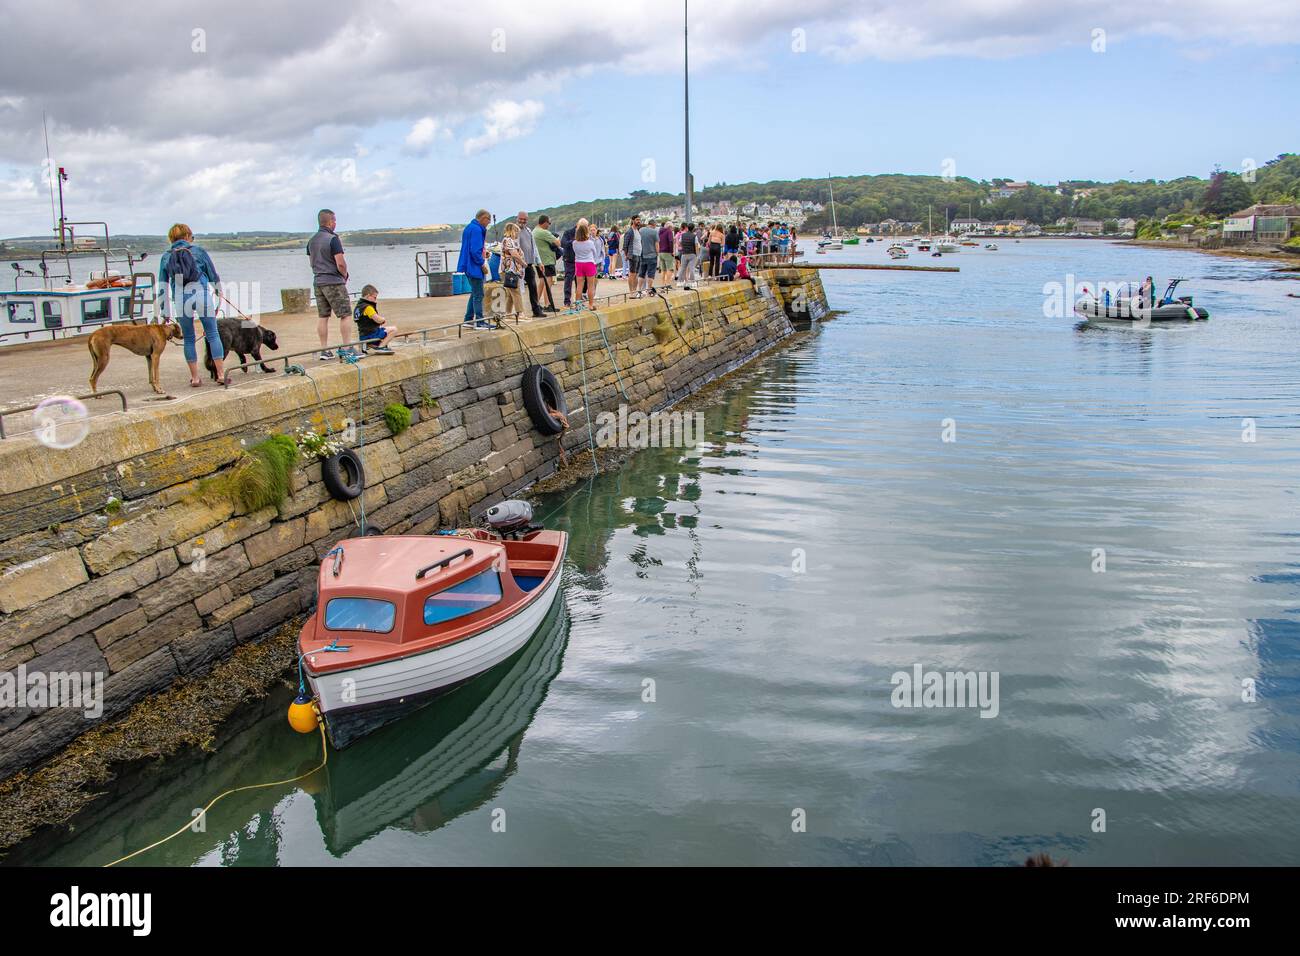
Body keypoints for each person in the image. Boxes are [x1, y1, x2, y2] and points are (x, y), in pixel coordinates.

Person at [158, 223, 225, 386]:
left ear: (171, 239)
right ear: (188, 236)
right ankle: (221, 375)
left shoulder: (166, 256)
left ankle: (195, 378)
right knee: (213, 334)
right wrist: (218, 292)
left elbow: (162, 285)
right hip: (201, 295)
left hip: (181, 298)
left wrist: (165, 310)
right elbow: (212, 274)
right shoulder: (198, 252)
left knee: (188, 338)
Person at [307, 208, 352, 360]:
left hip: (318, 280)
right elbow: (340, 263)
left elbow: (311, 262)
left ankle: (324, 350)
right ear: (331, 222)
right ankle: (347, 347)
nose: (335, 224)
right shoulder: (333, 239)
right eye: (335, 221)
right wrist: (344, 275)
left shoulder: (311, 241)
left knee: (323, 316)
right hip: (333, 281)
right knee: (345, 314)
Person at [457, 209, 492, 330]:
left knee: (474, 293)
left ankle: (468, 319)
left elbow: (472, 248)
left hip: (467, 264)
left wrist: (483, 254)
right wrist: (482, 263)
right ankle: (480, 321)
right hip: (474, 266)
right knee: (479, 294)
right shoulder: (477, 229)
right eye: (489, 220)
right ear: (483, 218)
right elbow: (474, 250)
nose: (489, 223)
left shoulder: (469, 227)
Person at [514, 211, 547, 318]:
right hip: (518, 265)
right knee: (516, 289)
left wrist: (539, 262)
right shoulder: (515, 231)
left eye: (525, 219)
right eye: (521, 218)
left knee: (533, 287)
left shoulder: (529, 231)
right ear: (517, 218)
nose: (523, 221)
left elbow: (534, 248)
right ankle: (518, 312)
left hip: (529, 264)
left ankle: (536, 310)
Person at [353, 284, 397, 353]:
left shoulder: (358, 307)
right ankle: (381, 347)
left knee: (382, 329)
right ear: (368, 295)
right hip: (371, 335)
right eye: (374, 297)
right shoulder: (368, 307)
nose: (375, 300)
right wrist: (383, 319)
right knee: (394, 329)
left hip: (362, 335)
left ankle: (368, 345)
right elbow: (378, 319)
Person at [570, 219, 600, 312]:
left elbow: (575, 252)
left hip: (579, 264)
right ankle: (590, 305)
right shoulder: (590, 243)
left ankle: (578, 305)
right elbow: (595, 254)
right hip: (589, 264)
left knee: (579, 286)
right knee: (590, 285)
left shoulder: (574, 243)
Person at [532, 215, 560, 312]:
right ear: (545, 222)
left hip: (539, 261)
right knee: (548, 282)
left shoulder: (534, 231)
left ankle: (536, 303)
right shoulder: (544, 232)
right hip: (547, 261)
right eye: (549, 223)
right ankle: (547, 304)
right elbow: (557, 243)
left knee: (542, 282)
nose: (549, 225)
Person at [499, 222, 526, 320]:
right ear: (511, 231)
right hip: (510, 270)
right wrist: (523, 263)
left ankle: (508, 313)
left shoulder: (512, 241)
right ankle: (520, 313)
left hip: (513, 270)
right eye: (516, 231)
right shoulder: (508, 240)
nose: (518, 234)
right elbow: (514, 254)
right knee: (516, 291)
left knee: (511, 292)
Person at [636, 218, 660, 297]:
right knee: (651, 274)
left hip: (642, 255)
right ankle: (649, 290)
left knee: (641, 273)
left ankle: (639, 290)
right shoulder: (654, 232)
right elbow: (656, 244)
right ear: (653, 225)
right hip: (652, 256)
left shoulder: (641, 230)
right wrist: (657, 253)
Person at [559, 222, 578, 306]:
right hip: (569, 259)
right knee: (568, 279)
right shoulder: (568, 232)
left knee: (580, 281)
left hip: (580, 260)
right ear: (577, 226)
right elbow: (563, 244)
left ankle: (578, 300)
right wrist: (574, 240)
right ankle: (567, 301)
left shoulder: (585, 233)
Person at [623, 215, 643, 294]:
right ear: (633, 220)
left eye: (639, 220)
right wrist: (627, 255)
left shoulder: (638, 231)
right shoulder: (629, 231)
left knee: (636, 274)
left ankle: (635, 290)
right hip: (633, 255)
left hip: (639, 254)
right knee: (632, 273)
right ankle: (631, 291)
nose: (639, 221)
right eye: (637, 220)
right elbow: (625, 245)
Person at [677, 222, 699, 289]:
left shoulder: (683, 235)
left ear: (687, 228)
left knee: (682, 268)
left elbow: (679, 243)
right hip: (692, 254)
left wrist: (683, 247)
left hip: (684, 254)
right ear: (693, 229)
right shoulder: (694, 236)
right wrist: (697, 255)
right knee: (692, 268)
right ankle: (692, 282)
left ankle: (680, 282)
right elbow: (696, 246)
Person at [657, 220, 675, 288]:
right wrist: (672, 251)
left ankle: (663, 284)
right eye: (672, 228)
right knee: (669, 269)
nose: (672, 229)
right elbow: (670, 241)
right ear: (670, 227)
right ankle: (668, 284)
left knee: (663, 270)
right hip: (667, 252)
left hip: (661, 252)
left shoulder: (660, 232)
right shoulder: (669, 231)